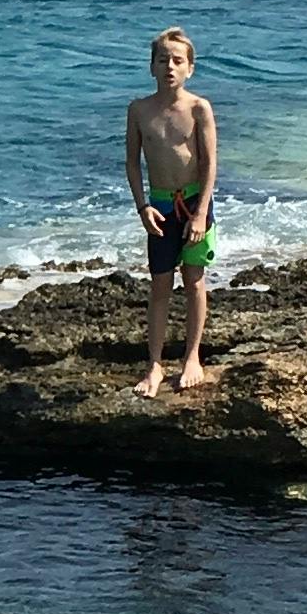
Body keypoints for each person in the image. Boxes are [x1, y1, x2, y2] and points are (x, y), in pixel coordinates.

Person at [124, 28, 219, 397]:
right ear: (151, 66)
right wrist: (142, 206)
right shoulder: (139, 110)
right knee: (160, 284)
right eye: (163, 60)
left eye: (178, 60)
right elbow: (132, 163)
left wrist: (200, 213)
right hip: (160, 206)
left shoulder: (199, 108)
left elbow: (210, 164)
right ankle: (155, 365)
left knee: (194, 279)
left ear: (190, 68)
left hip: (195, 202)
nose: (170, 66)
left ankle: (192, 356)